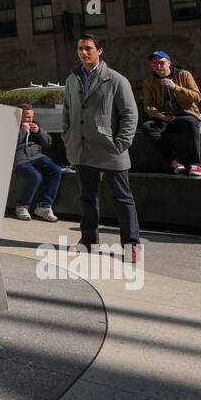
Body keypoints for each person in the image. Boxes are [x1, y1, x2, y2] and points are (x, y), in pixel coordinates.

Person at [62, 34, 141, 263]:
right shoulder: (71, 79)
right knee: (87, 197)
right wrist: (68, 136)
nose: (83, 52)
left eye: (88, 48)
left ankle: (131, 245)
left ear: (100, 51)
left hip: (110, 150)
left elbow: (129, 114)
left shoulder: (116, 80)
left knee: (122, 198)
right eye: (80, 48)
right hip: (82, 148)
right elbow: (67, 110)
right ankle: (88, 240)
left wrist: (121, 143)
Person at [141, 51, 201, 178]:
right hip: (164, 117)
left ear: (169, 63)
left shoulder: (184, 75)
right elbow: (147, 105)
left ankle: (195, 164)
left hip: (184, 115)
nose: (157, 66)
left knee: (191, 123)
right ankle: (175, 161)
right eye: (154, 64)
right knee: (147, 126)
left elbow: (197, 97)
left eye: (160, 62)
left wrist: (176, 87)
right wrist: (158, 115)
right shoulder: (149, 81)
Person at [10, 103, 60, 222]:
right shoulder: (12, 124)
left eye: (31, 116)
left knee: (56, 170)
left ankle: (44, 206)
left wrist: (39, 131)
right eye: (27, 117)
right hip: (20, 158)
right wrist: (23, 131)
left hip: (37, 155)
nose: (30, 119)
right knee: (35, 176)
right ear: (20, 115)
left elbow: (48, 143)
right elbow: (10, 143)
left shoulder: (36, 124)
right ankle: (21, 206)